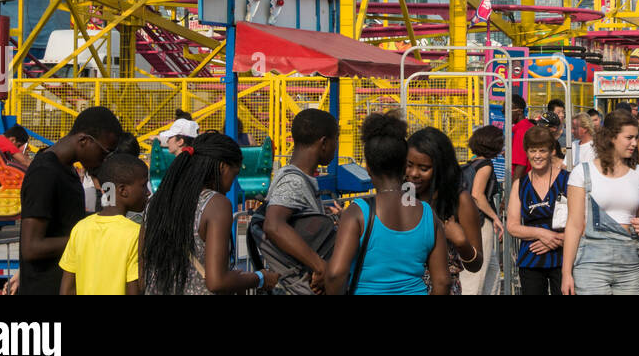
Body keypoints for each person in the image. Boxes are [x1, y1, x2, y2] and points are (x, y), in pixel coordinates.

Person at [325, 112, 448, 295]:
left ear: (368, 168)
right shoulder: (428, 214)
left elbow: (336, 274)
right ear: (403, 165)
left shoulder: (358, 212)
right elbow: (443, 281)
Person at [140, 131, 277, 295]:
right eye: (234, 174)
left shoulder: (154, 202)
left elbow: (142, 273)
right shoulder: (215, 204)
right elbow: (216, 282)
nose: (230, 185)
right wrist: (260, 278)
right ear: (222, 167)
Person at [18, 106, 123, 296]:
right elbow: (31, 247)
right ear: (84, 141)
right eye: (105, 152)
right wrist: (90, 238)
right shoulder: (45, 172)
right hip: (45, 288)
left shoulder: (67, 169)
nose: (106, 159)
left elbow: (66, 223)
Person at [560, 112, 639, 295]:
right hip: (590, 261)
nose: (634, 143)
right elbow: (573, 225)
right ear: (611, 137)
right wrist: (566, 273)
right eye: (629, 138)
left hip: (630, 262)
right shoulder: (583, 172)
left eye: (636, 138)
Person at [262, 107, 338, 295]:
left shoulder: (296, 177)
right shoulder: (293, 181)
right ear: (324, 143)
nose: (336, 146)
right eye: (335, 139)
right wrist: (319, 266)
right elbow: (274, 225)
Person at [58, 152, 149, 295]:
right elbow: (135, 290)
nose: (148, 192)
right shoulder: (136, 233)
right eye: (143, 185)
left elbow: (66, 290)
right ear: (123, 190)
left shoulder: (80, 228)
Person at [407, 127, 483, 294]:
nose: (413, 173)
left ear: (441, 168)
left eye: (423, 168)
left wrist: (462, 243)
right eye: (409, 165)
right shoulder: (403, 195)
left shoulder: (460, 200)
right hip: (405, 287)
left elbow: (476, 265)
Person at [507, 124, 570, 294]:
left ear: (552, 151)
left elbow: (581, 221)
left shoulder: (568, 180)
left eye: (542, 150)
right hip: (531, 258)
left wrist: (558, 239)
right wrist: (542, 234)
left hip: (564, 255)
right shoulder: (519, 185)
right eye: (532, 151)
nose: (537, 156)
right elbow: (512, 226)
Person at [460, 124, 505, 296]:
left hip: (469, 221)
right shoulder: (485, 165)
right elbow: (478, 196)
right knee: (476, 275)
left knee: (492, 270)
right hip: (481, 223)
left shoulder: (470, 164)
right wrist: (495, 217)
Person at [510, 94, 534, 181]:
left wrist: (513, 190)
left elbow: (521, 164)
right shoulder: (529, 126)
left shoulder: (521, 131)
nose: (504, 114)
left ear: (519, 111)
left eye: (506, 111)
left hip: (524, 181)